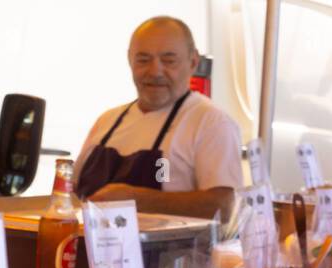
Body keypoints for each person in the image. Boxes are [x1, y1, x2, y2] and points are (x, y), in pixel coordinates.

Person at [74, 16, 241, 221]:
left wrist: (137, 200)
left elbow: (224, 206)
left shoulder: (211, 122)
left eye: (169, 61)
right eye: (143, 60)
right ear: (130, 60)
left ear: (193, 61)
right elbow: (72, 193)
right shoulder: (107, 120)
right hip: (89, 250)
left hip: (168, 253)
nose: (155, 71)